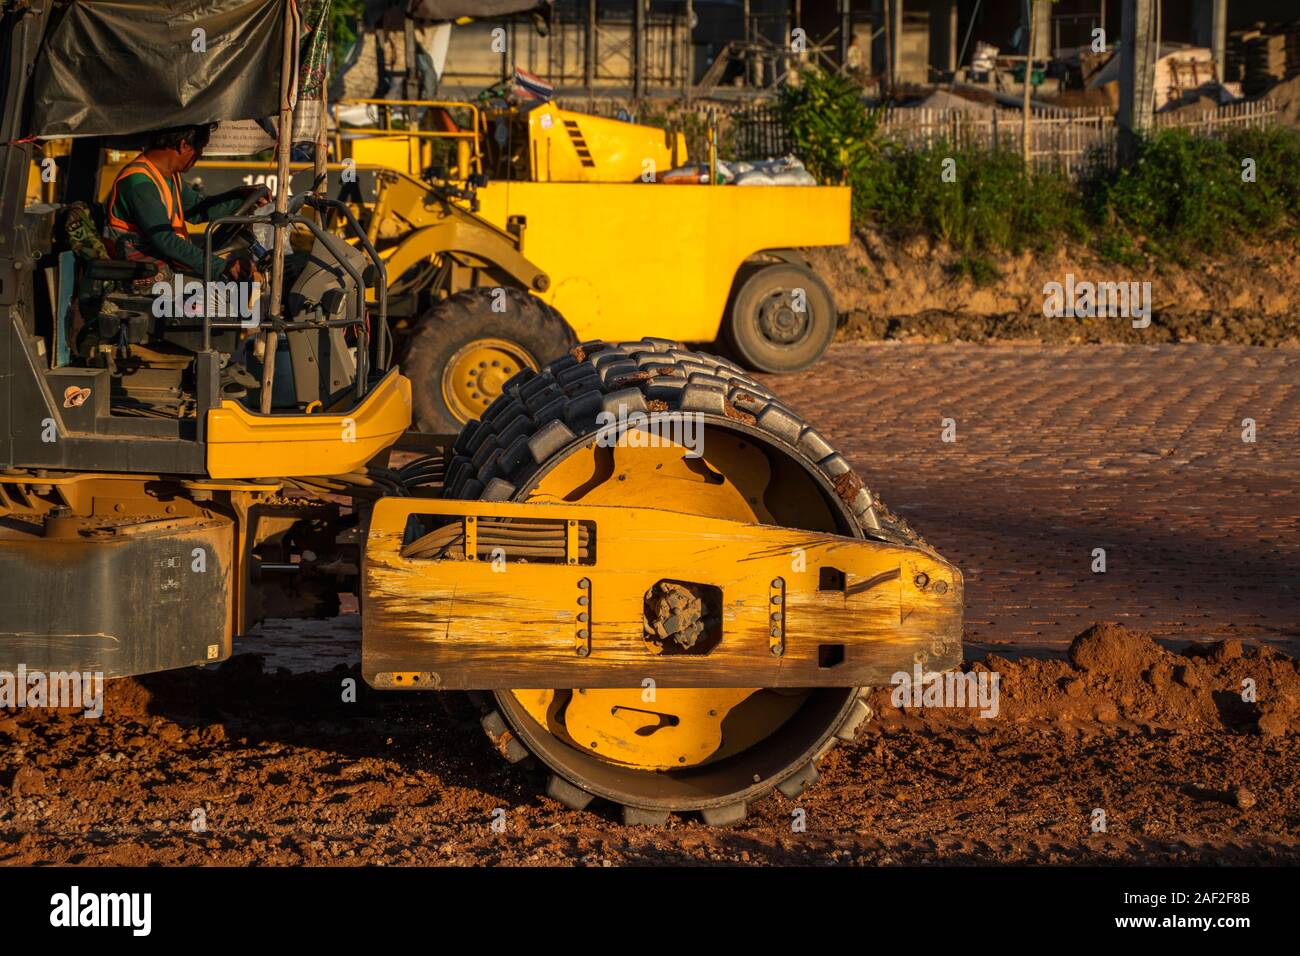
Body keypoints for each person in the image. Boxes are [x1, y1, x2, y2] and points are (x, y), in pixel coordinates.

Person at [102, 124, 269, 284]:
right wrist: (221, 266)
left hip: (165, 267)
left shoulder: (169, 176)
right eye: (201, 146)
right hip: (146, 275)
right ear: (184, 145)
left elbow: (197, 210)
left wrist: (240, 197)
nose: (201, 153)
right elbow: (165, 240)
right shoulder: (139, 183)